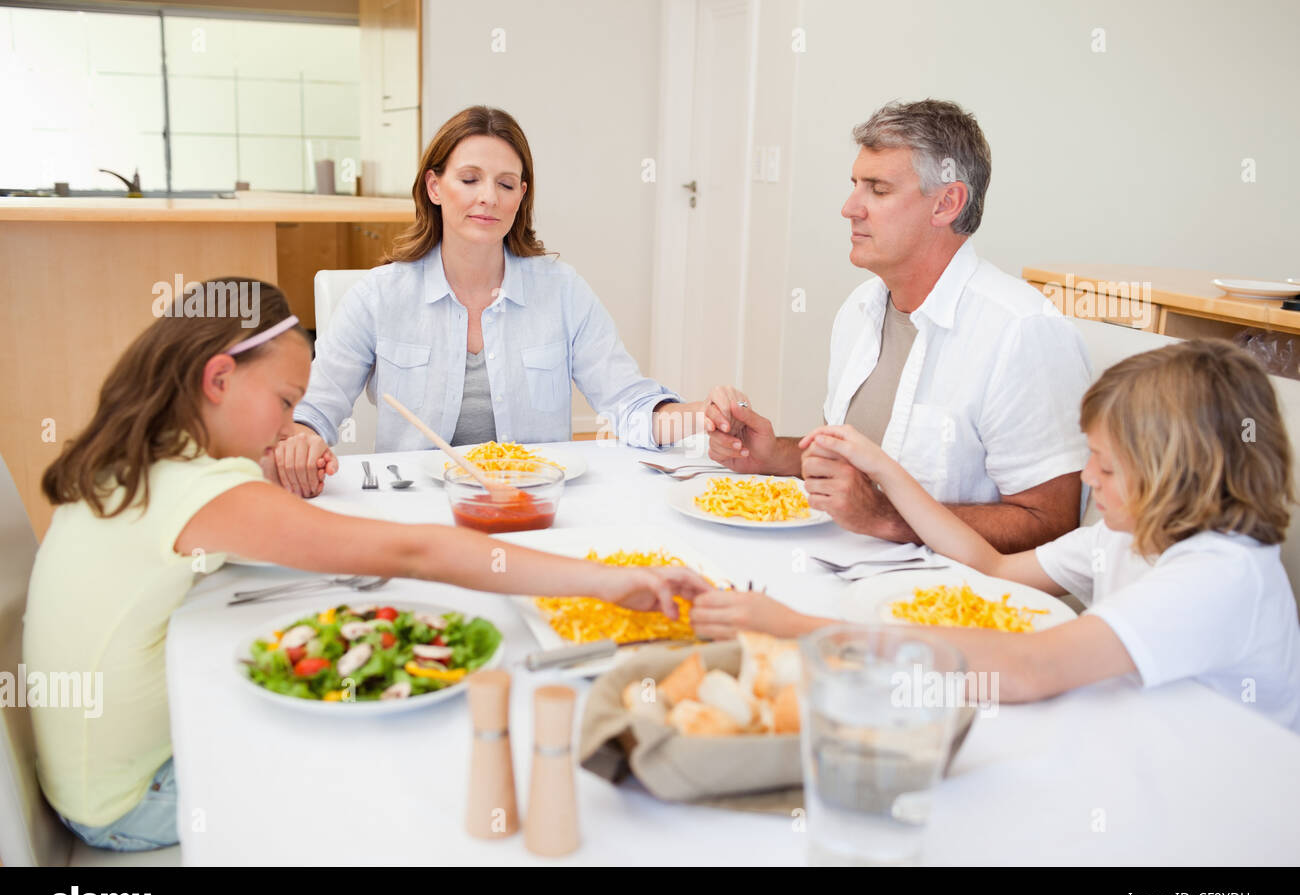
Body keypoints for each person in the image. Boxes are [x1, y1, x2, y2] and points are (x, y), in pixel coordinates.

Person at [23, 278, 710, 850]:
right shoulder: (196, 492)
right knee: (384, 773)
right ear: (219, 377)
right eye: (286, 403)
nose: (288, 425)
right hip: (129, 803)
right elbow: (412, 551)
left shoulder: (146, 458)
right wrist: (612, 582)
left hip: (96, 776)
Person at [693, 340, 1300, 733]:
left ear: (1177, 472)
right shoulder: (1127, 536)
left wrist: (801, 630)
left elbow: (1030, 668)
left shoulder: (1218, 575)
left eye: (1107, 467)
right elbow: (991, 566)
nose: (1088, 479)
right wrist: (885, 472)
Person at [270, 105, 742, 497]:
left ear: (521, 195)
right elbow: (315, 410)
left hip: (532, 502)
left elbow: (630, 405)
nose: (488, 198)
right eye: (469, 179)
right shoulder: (377, 296)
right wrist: (301, 442)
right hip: (415, 509)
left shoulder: (562, 291)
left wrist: (704, 415)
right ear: (435, 187)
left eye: (505, 183)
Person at [707, 99, 1091, 552]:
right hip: (847, 561)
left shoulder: (1022, 331)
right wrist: (773, 455)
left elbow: (1051, 524)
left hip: (949, 600)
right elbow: (855, 474)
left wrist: (887, 518)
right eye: (854, 185)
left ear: (947, 203)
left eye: (878, 190)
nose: (850, 207)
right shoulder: (860, 309)